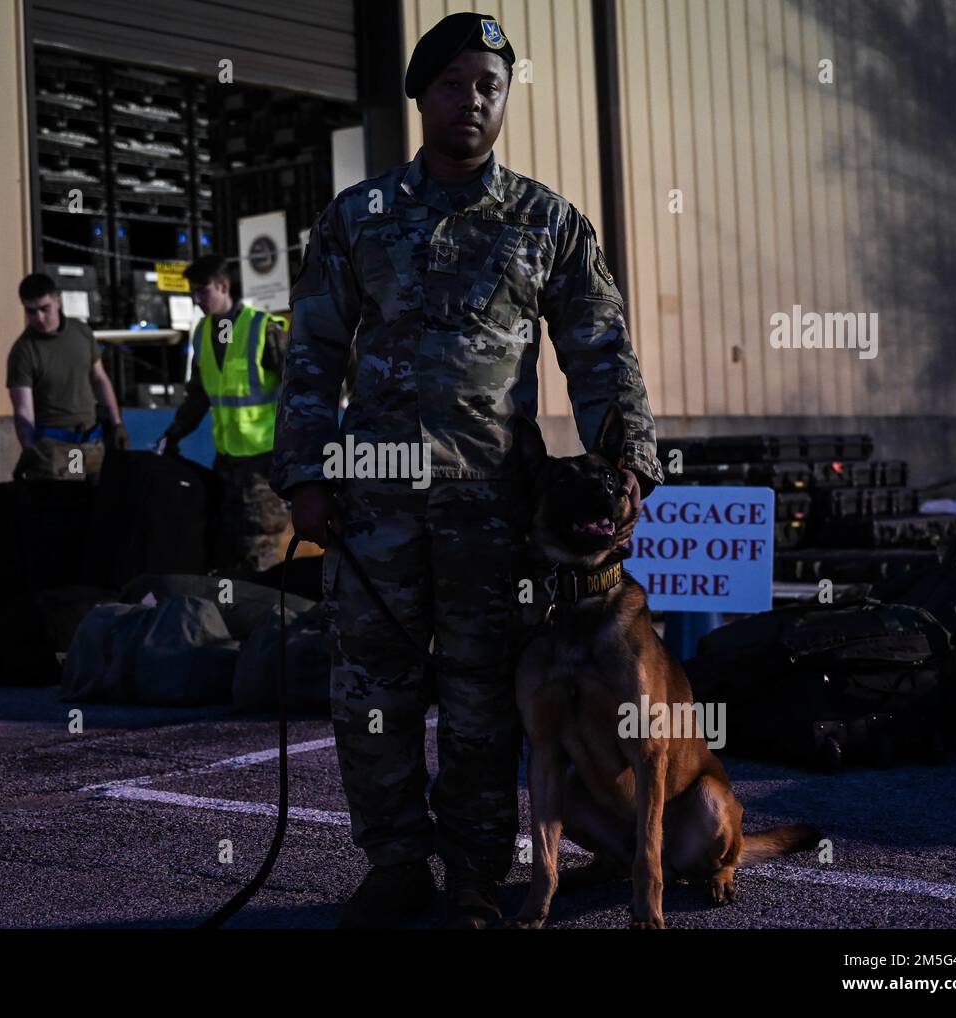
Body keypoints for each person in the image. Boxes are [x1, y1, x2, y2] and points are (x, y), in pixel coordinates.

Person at [271, 12, 663, 928]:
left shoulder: (546, 221)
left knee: (486, 701)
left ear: (503, 98)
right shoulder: (358, 218)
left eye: (489, 84)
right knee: (374, 695)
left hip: (497, 513)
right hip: (374, 509)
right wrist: (304, 475)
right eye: (453, 83)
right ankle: (396, 864)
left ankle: (477, 876)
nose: (472, 100)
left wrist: (629, 458)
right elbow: (314, 352)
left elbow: (600, 347)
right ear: (421, 96)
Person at [157, 256, 291, 574]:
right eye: (193, 293)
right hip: (227, 462)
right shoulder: (203, 333)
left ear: (223, 286)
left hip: (263, 462)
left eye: (202, 291)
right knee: (226, 546)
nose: (196, 300)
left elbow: (298, 389)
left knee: (259, 547)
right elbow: (198, 396)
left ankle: (269, 616)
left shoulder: (263, 327)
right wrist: (173, 434)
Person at [7, 272, 128, 481]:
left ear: (58, 301)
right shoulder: (23, 351)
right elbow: (23, 410)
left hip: (92, 439)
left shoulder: (81, 332)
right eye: (31, 311)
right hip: (57, 444)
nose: (39, 318)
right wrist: (29, 450)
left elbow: (100, 379)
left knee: (100, 505)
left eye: (45, 309)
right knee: (73, 504)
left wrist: (117, 423)